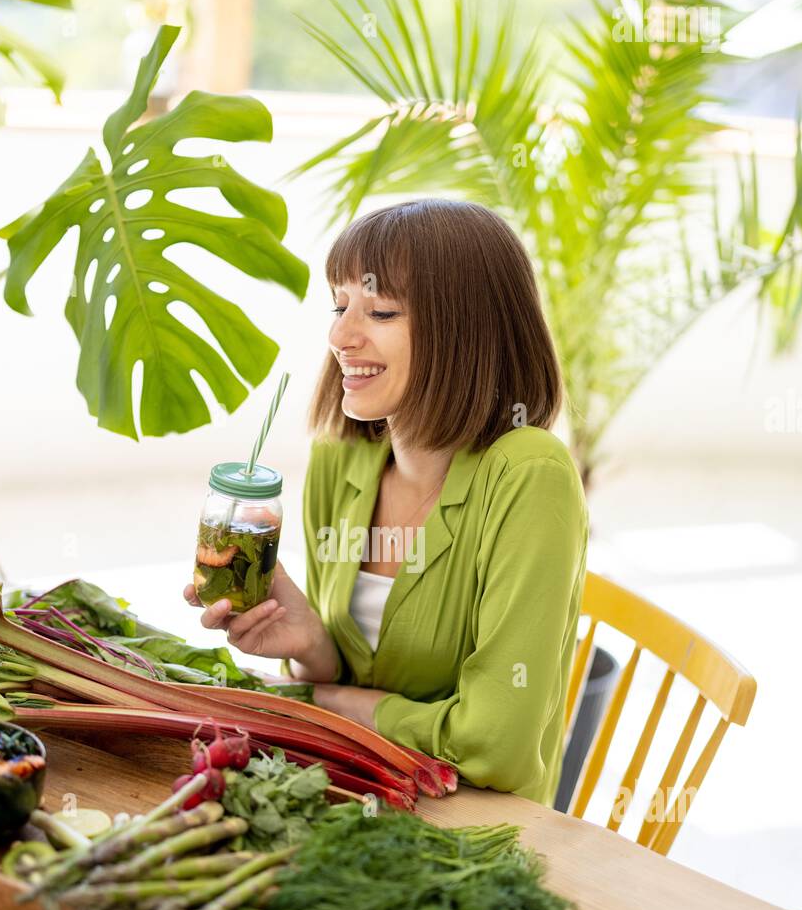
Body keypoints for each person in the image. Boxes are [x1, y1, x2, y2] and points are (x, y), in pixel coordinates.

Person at [184, 199, 588, 806]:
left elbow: (496, 747)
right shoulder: (339, 463)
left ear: (466, 330)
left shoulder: (529, 474)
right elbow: (343, 678)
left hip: (473, 822)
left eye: (380, 310)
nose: (341, 336)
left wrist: (333, 705)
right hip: (348, 791)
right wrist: (310, 647)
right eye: (340, 305)